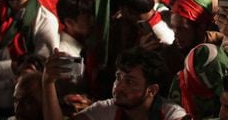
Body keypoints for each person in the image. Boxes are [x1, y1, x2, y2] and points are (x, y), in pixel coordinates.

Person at [43, 46, 187, 119]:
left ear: (152, 90)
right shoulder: (106, 110)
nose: (120, 86)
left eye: (130, 81)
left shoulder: (171, 113)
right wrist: (48, 82)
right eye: (118, 77)